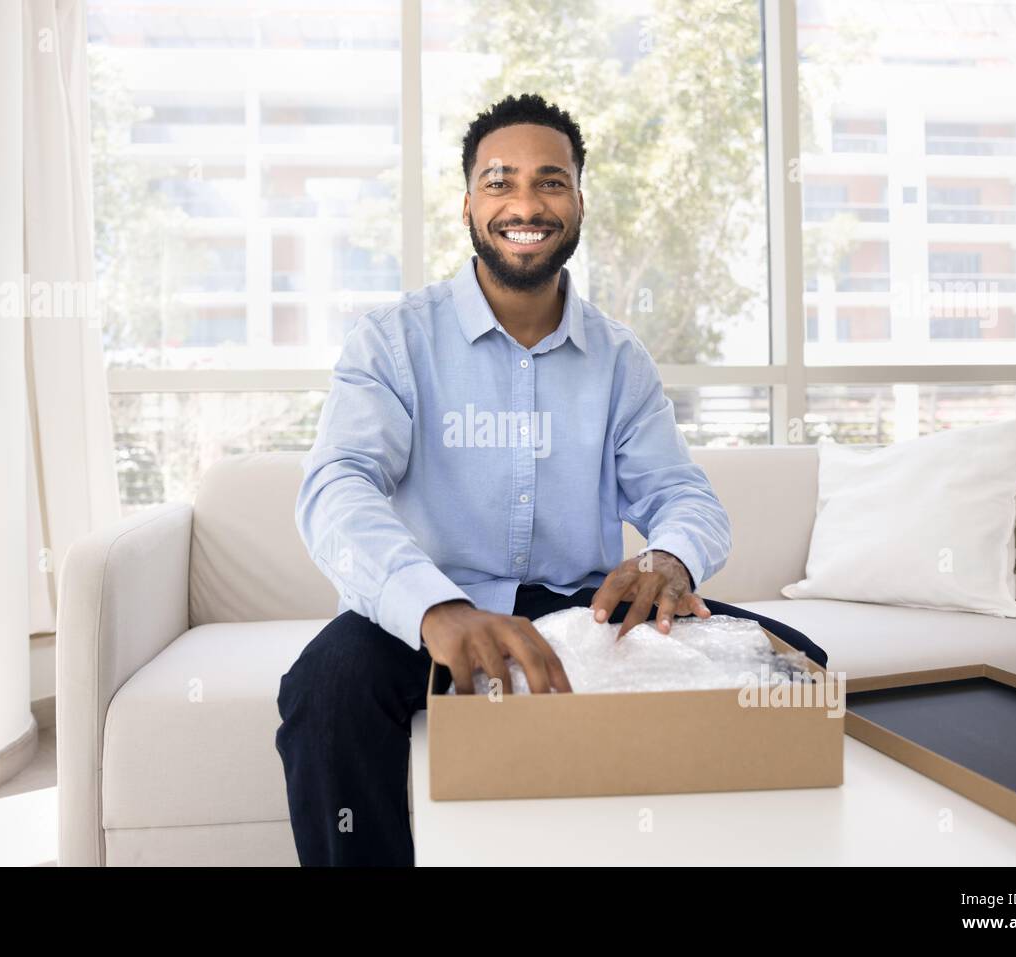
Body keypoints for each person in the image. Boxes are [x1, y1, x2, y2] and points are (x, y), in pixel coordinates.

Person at [275, 92, 827, 866]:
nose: (525, 203)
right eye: (500, 182)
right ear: (468, 203)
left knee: (794, 669)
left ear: (578, 200)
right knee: (325, 691)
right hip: (427, 609)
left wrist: (669, 560)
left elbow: (682, 496)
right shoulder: (395, 340)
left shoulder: (618, 357)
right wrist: (434, 606)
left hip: (579, 607)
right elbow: (336, 486)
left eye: (551, 181)